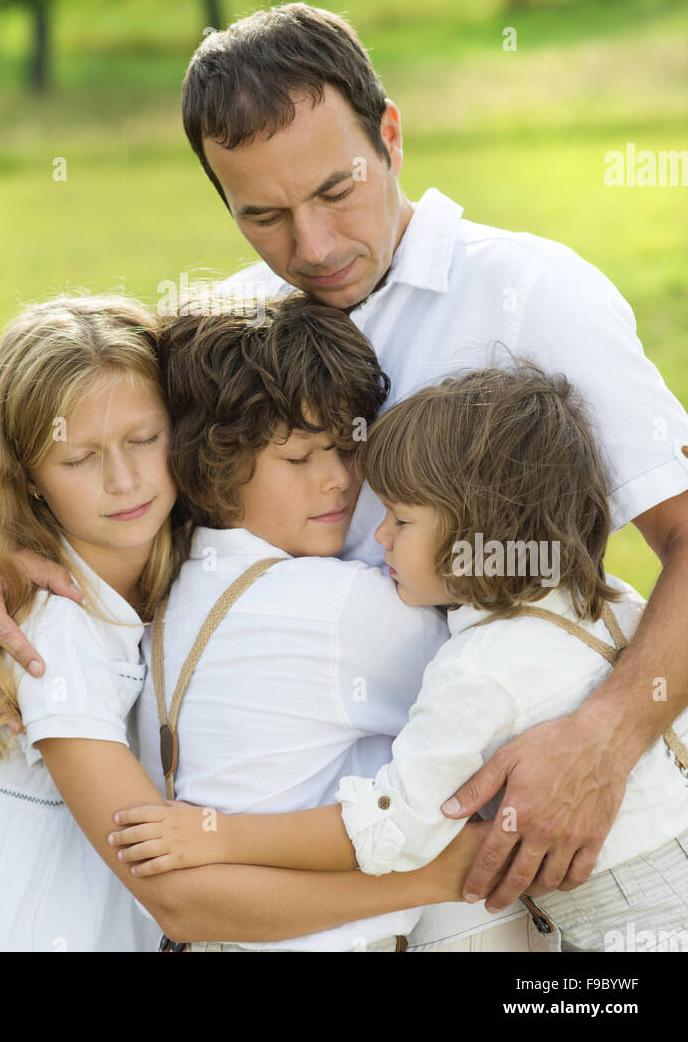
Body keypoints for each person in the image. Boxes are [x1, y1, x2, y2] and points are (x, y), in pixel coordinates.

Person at [0, 3, 688, 949]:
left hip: (498, 873)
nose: (315, 247)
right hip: (319, 891)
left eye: (338, 190)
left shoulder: (535, 294)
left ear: (393, 136)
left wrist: (606, 740)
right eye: (264, 216)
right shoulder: (235, 329)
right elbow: (97, 459)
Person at [0, 294, 487, 950]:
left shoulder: (176, 568)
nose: (124, 480)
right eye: (79, 459)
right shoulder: (54, 634)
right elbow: (178, 900)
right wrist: (435, 877)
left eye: (144, 440)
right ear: (27, 477)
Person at [109, 364, 688, 953]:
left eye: (402, 520)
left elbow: (400, 825)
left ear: (478, 537)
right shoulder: (614, 597)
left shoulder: (474, 669)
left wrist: (219, 837)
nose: (379, 536)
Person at [119, 294, 552, 952]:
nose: (338, 482)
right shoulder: (339, 606)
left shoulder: (165, 594)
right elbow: (510, 691)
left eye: (347, 448)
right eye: (298, 460)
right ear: (208, 473)